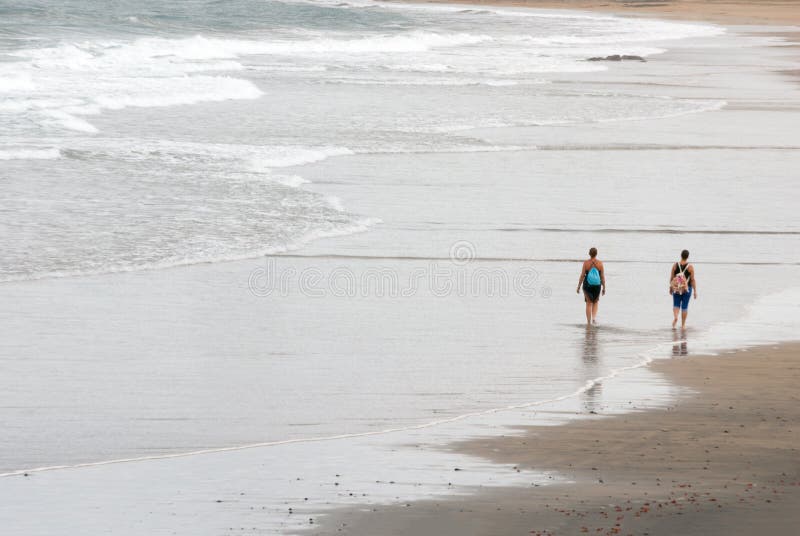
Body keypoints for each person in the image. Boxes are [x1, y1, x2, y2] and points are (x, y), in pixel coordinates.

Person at [576, 247, 605, 325]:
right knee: (595, 302)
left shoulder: (586, 263)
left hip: (587, 285)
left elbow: (582, 275)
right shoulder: (600, 263)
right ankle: (594, 318)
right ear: (596, 254)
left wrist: (578, 286)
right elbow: (602, 276)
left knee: (589, 303)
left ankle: (588, 322)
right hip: (597, 285)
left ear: (589, 254)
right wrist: (604, 287)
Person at [670, 249, 698, 329]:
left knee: (676, 305)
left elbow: (672, 278)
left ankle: (675, 317)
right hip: (686, 288)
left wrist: (671, 288)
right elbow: (692, 280)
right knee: (684, 307)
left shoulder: (675, 265)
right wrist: (695, 291)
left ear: (681, 255)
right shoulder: (690, 267)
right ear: (688, 257)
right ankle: (683, 325)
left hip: (676, 288)